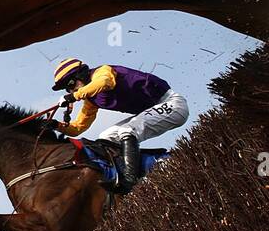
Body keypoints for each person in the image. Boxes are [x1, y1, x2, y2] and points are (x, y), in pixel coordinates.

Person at [52, 57, 189, 191]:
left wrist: (73, 97)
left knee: (128, 130)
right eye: (67, 90)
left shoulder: (102, 71)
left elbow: (104, 82)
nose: (71, 91)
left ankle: (130, 179)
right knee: (107, 136)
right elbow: (78, 128)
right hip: (154, 110)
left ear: (80, 75)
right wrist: (56, 125)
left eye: (70, 85)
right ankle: (157, 162)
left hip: (173, 104)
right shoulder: (91, 99)